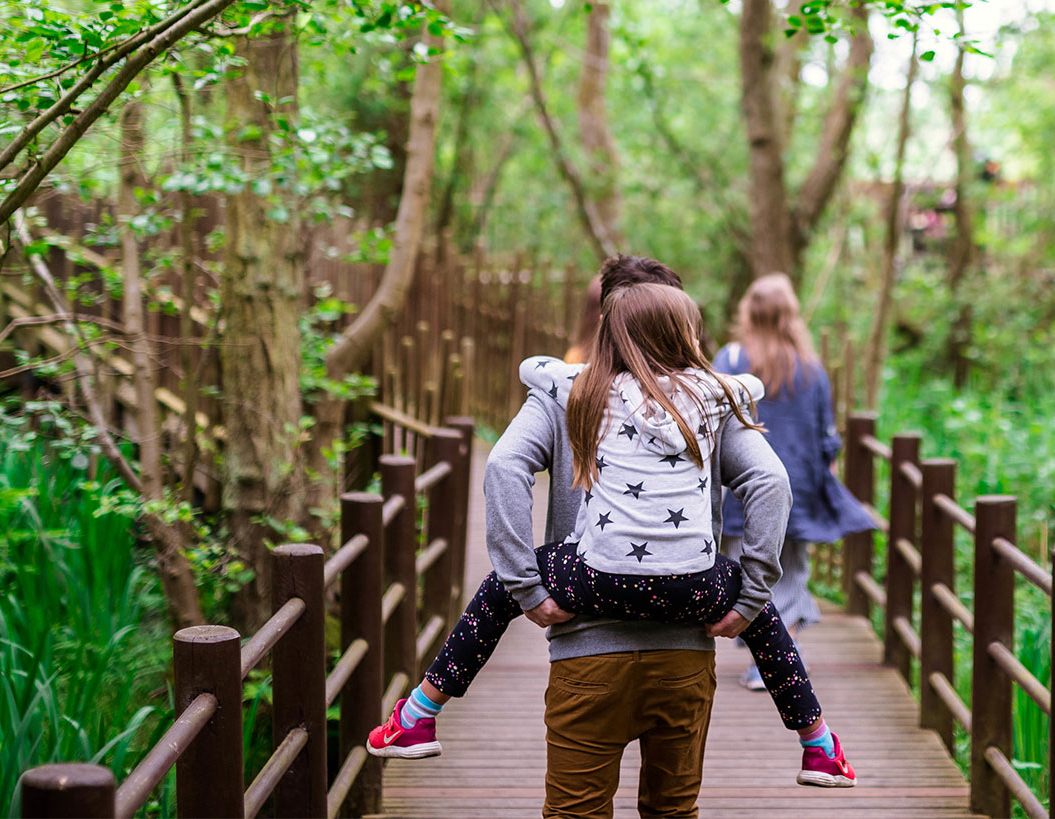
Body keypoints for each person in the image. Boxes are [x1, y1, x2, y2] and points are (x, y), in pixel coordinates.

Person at [367, 257, 858, 815]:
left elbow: (504, 467)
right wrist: (749, 596)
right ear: (685, 330)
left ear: (608, 325)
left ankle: (418, 716)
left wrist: (527, 587)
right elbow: (770, 481)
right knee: (673, 810)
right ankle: (818, 745)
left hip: (584, 638)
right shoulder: (715, 399)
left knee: (574, 809)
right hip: (689, 635)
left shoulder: (567, 391)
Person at [715, 274, 878, 691]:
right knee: (788, 572)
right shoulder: (811, 370)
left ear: (748, 313)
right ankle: (779, 659)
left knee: (743, 570)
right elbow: (827, 439)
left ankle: (762, 660)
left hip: (740, 490)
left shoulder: (731, 361)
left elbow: (710, 424)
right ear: (791, 316)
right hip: (796, 490)